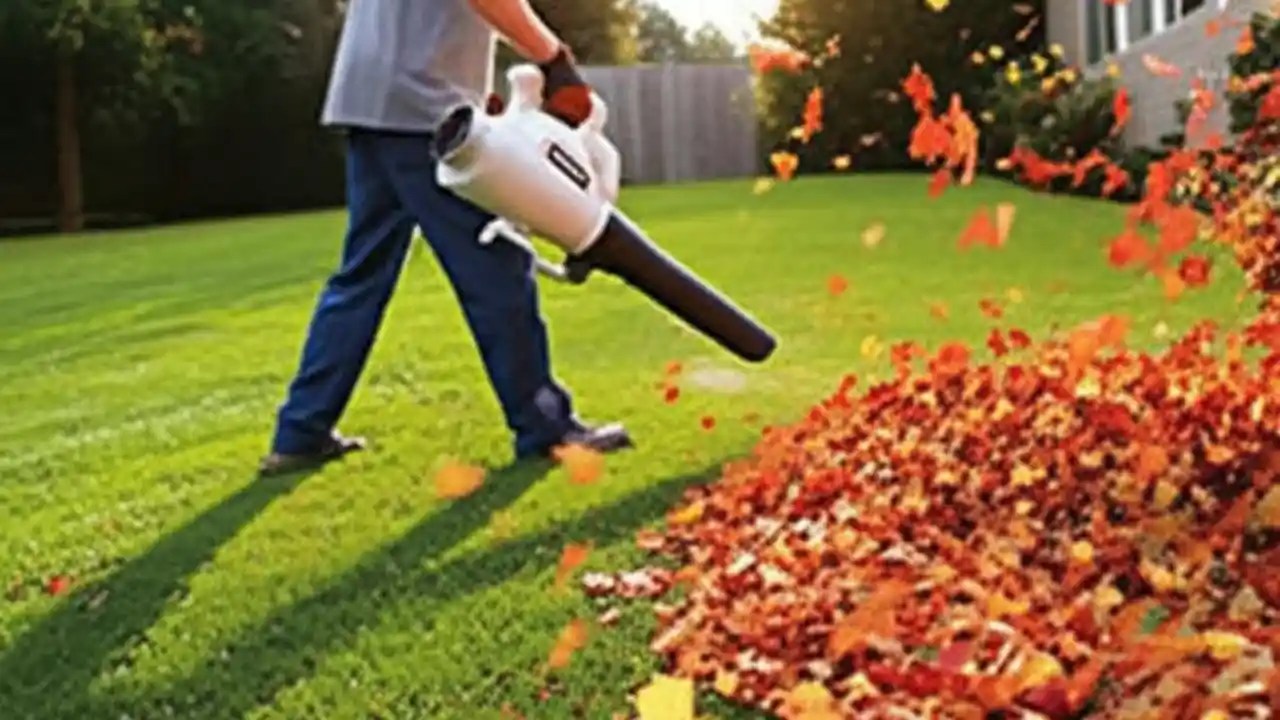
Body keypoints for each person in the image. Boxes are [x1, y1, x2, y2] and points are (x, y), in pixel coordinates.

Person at [259, 0, 633, 477]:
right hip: (423, 103)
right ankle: (546, 428)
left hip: (369, 99)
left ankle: (301, 431)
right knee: (496, 261)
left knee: (360, 278)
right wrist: (553, 57)